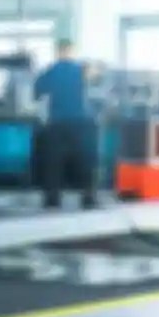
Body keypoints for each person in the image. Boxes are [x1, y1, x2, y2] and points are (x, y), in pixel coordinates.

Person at [33, 39, 99, 210]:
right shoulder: (82, 70)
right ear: (72, 51)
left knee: (53, 162)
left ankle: (52, 198)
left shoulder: (51, 71)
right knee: (85, 159)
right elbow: (96, 83)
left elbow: (37, 92)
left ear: (58, 52)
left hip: (57, 121)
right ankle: (88, 197)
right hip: (80, 121)